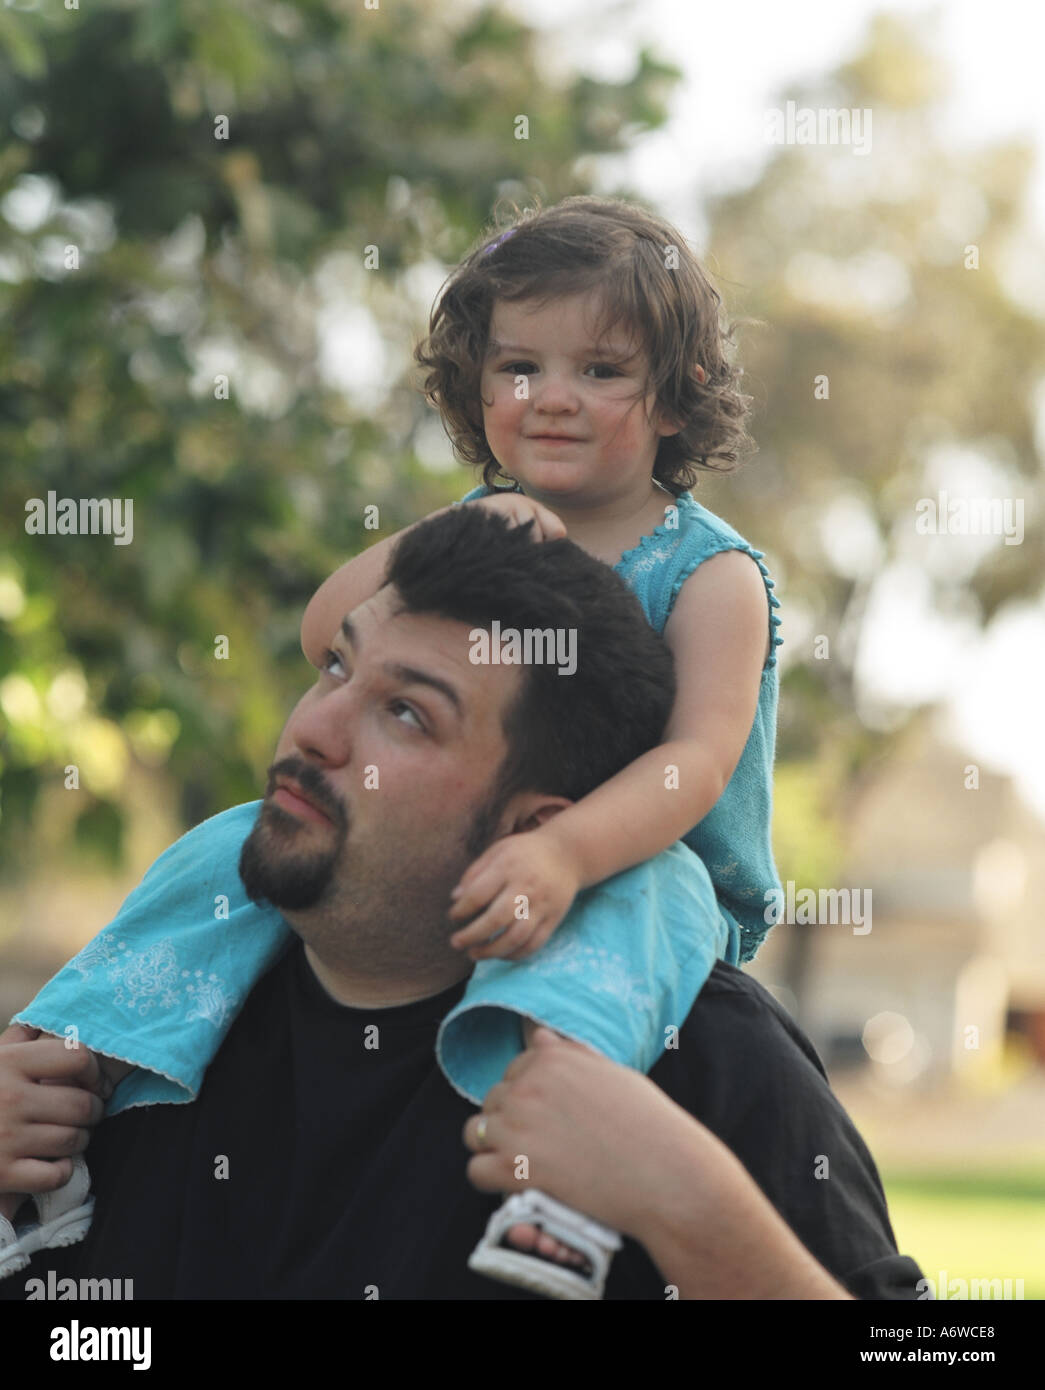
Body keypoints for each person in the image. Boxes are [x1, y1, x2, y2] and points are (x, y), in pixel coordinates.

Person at [3, 195, 786, 1295]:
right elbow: (330, 627)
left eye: (601, 372)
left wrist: (566, 855)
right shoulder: (477, 523)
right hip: (488, 860)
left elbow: (694, 761)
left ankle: (553, 1191)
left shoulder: (709, 573)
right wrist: (452, 534)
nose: (551, 396)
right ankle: (68, 1054)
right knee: (222, 846)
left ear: (673, 396)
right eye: (518, 365)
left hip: (648, 865)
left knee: (639, 894)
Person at [0, 507, 922, 1299]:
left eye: (406, 714)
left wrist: (688, 1206)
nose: (314, 731)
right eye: (335, 670)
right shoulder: (135, 1038)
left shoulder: (695, 1059)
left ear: (529, 827)